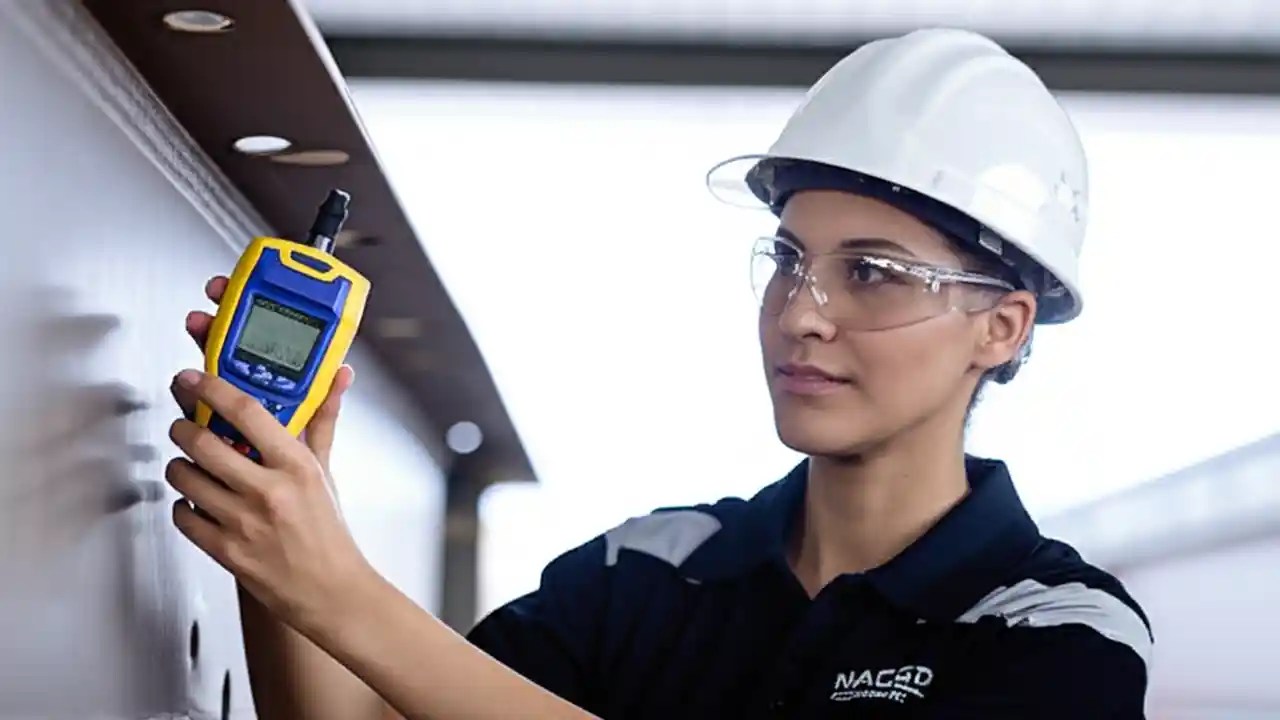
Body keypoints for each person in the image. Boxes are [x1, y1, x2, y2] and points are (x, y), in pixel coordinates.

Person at [166, 27, 1152, 720]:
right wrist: (278, 530)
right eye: (787, 259)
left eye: (872, 275)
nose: (801, 312)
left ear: (1001, 327)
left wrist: (343, 592)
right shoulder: (647, 567)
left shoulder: (1056, 630)